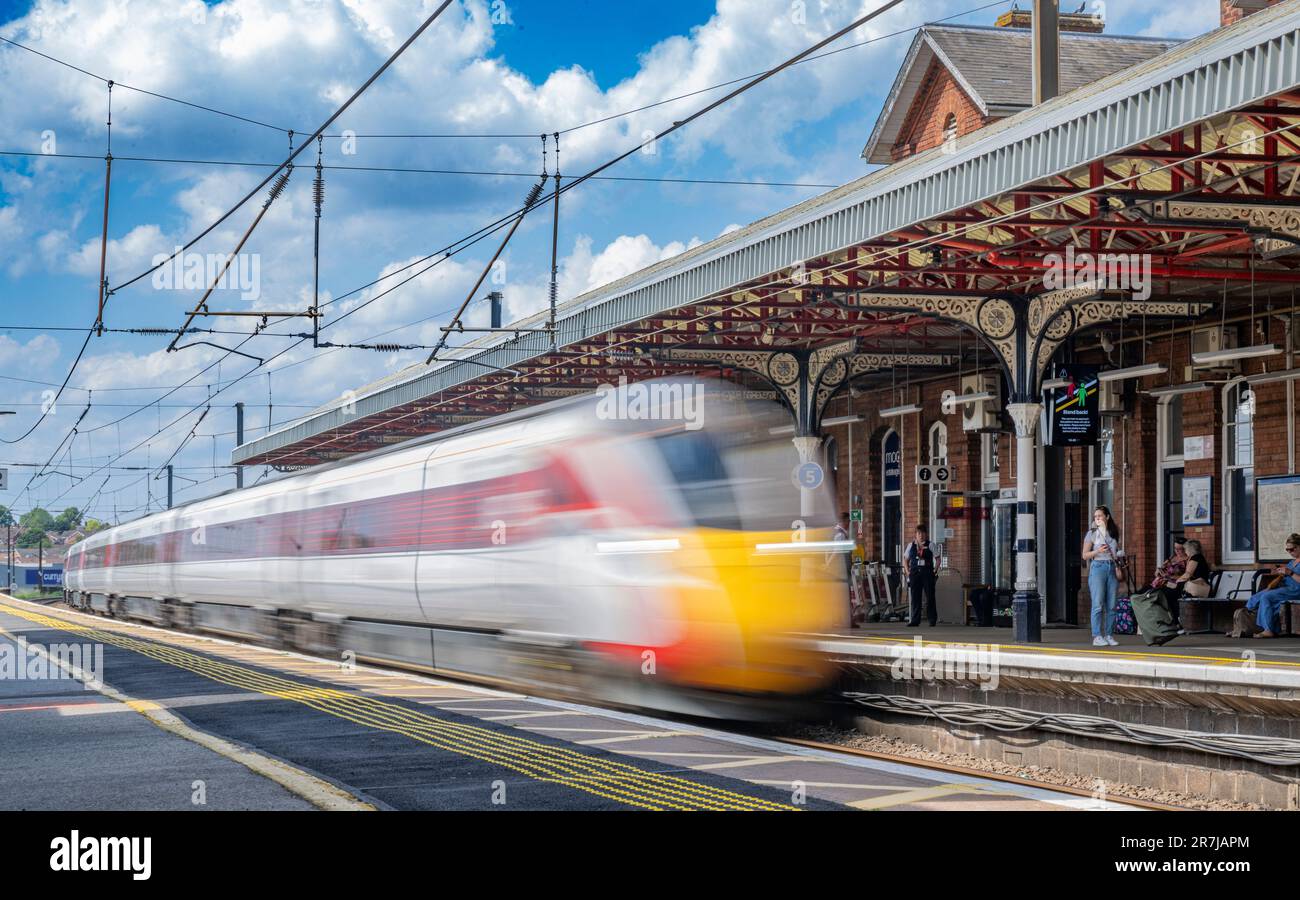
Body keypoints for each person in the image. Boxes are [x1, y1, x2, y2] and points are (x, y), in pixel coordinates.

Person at [1245, 533, 1300, 639]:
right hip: (1285, 588)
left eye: (1292, 549)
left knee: (1267, 597)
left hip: (1296, 590)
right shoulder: (1292, 562)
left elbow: (1293, 576)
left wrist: (1290, 573)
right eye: (1287, 550)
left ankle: (1268, 630)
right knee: (1259, 596)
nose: (1290, 552)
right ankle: (1246, 624)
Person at [1082, 505, 1123, 647]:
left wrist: (1118, 556)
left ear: (1107, 516)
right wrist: (1097, 551)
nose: (1097, 518)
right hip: (1098, 567)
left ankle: (1109, 634)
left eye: (1100, 515)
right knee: (1098, 604)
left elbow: (1116, 550)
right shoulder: (1092, 533)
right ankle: (1097, 636)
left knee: (1111, 605)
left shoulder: (1113, 532)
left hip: (1111, 566)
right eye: (1095, 516)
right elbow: (1085, 555)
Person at [1158, 538, 1209, 632]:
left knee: (1168, 594)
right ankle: (1175, 621)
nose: (1185, 551)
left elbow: (1188, 574)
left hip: (1196, 587)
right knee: (1167, 592)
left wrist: (1177, 581)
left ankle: (1176, 622)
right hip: (1191, 585)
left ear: (1191, 549)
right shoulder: (1197, 557)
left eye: (1186, 549)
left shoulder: (1196, 558)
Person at [903, 524, 936, 627]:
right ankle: (915, 620)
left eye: (923, 533)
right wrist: (908, 572)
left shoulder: (931, 545)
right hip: (915, 574)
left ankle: (932, 619)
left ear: (926, 534)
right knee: (915, 597)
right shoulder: (910, 545)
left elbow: (938, 559)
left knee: (930, 596)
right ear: (915, 535)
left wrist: (935, 571)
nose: (921, 535)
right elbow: (905, 560)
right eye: (919, 533)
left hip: (927, 573)